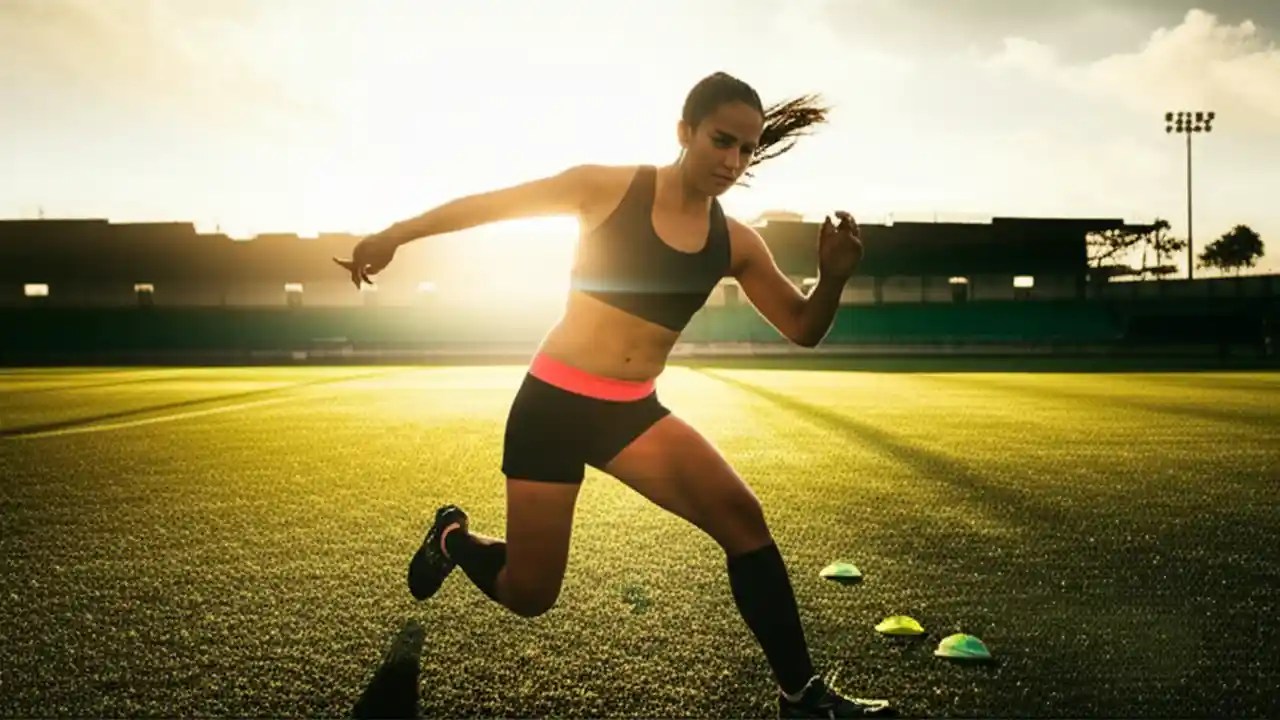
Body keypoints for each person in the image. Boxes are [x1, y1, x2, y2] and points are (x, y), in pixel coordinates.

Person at [334, 71, 893, 718]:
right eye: (720, 140)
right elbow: (495, 204)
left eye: (746, 149)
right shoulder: (607, 188)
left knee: (744, 520)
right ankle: (453, 536)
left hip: (630, 414)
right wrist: (396, 234)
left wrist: (833, 279)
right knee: (530, 592)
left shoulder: (735, 241)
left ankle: (802, 698)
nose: (732, 161)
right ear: (683, 132)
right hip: (552, 406)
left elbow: (802, 329)